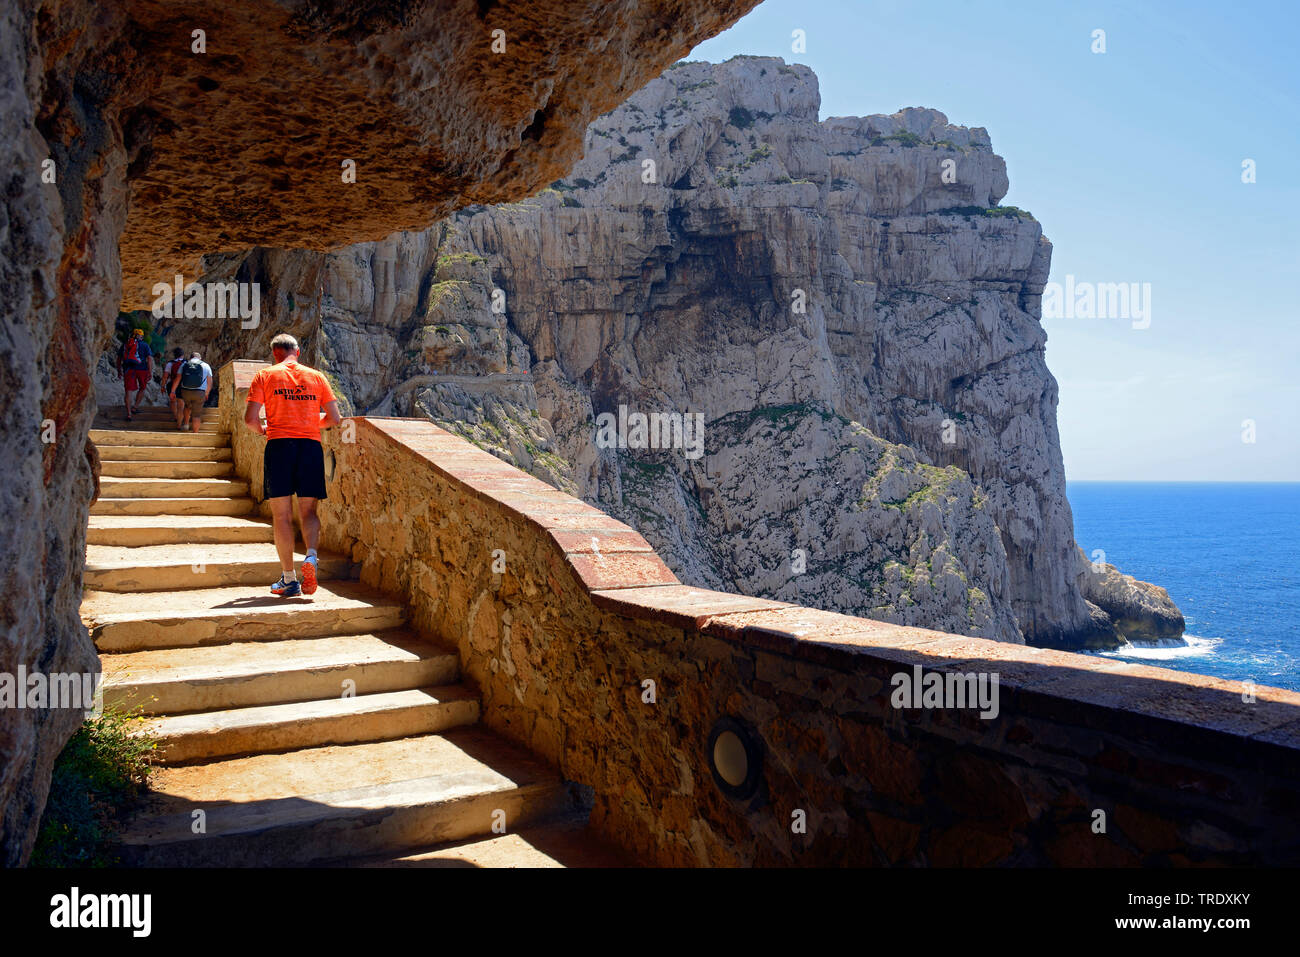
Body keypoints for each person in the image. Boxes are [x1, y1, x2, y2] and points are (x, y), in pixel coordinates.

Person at [243, 334, 342, 597]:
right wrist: (310, 423)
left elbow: (250, 419)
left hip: (279, 447)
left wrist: (264, 429)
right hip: (310, 447)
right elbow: (334, 418)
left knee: (282, 516)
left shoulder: (265, 376)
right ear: (297, 352)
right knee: (308, 512)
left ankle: (289, 579)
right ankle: (310, 556)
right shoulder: (317, 377)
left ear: (275, 354)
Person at [116, 328, 154, 421]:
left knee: (128, 391)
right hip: (142, 370)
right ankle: (135, 407)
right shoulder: (145, 345)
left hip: (128, 370)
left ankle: (129, 414)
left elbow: (119, 358)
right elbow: (149, 359)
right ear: (141, 336)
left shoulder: (126, 344)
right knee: (142, 388)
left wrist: (119, 370)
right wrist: (150, 371)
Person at [172, 352, 214, 433]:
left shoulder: (184, 364)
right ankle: (195, 433)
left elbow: (177, 379)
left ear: (190, 358)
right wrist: (207, 393)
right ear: (200, 358)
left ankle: (186, 424)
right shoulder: (206, 365)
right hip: (200, 392)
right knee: (197, 414)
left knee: (187, 406)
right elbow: (210, 382)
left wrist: (173, 391)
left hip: (185, 391)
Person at [162, 348, 185, 425]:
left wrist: (163, 386)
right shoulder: (186, 363)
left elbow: (165, 376)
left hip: (171, 384)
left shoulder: (170, 364)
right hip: (182, 385)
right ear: (183, 355)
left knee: (173, 401)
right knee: (181, 404)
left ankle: (175, 416)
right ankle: (179, 422)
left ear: (174, 355)